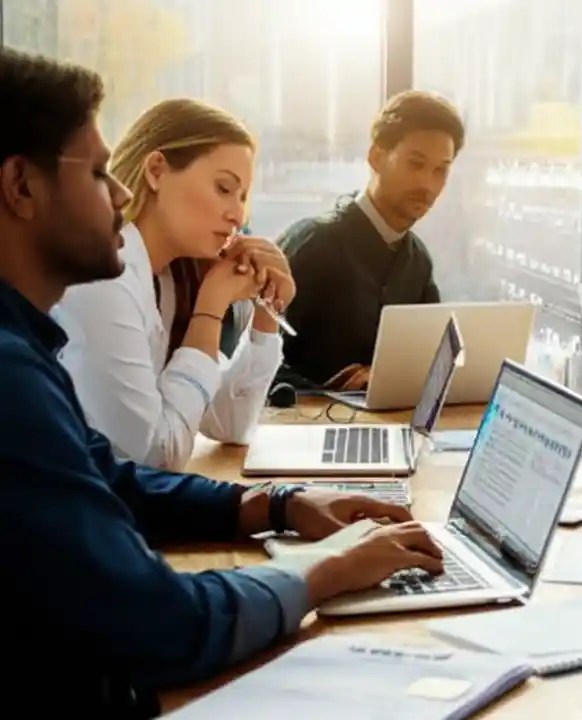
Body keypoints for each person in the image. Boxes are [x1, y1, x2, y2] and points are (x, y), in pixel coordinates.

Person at [0, 48, 444, 716]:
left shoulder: (31, 345)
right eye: (96, 173)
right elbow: (165, 623)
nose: (118, 193)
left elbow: (114, 476)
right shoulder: (12, 372)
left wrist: (277, 505)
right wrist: (327, 568)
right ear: (20, 187)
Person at [54, 98, 291, 471]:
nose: (238, 214)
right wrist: (210, 309)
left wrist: (267, 314)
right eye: (224, 188)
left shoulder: (167, 279)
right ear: (157, 170)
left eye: (243, 197)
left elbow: (229, 425)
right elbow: (155, 458)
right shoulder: (103, 281)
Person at [278, 90, 464, 391]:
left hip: (387, 425)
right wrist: (329, 389)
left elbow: (432, 359)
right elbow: (249, 361)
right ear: (376, 157)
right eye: (416, 164)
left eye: (440, 170)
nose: (427, 184)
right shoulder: (314, 243)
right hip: (304, 428)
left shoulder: (418, 260)